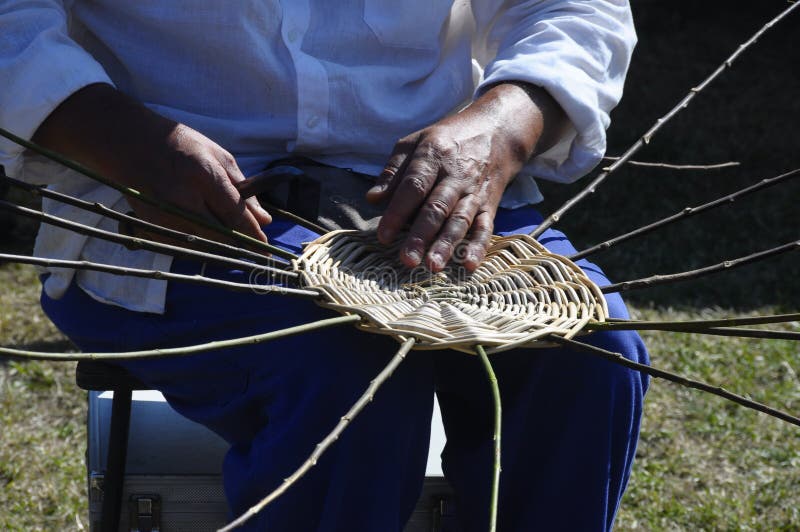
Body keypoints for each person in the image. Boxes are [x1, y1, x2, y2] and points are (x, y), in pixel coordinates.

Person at [0, 1, 648, 530]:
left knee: (592, 354)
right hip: (179, 202)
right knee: (349, 371)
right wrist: (128, 143)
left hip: (431, 184)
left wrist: (501, 126)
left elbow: (573, 9)